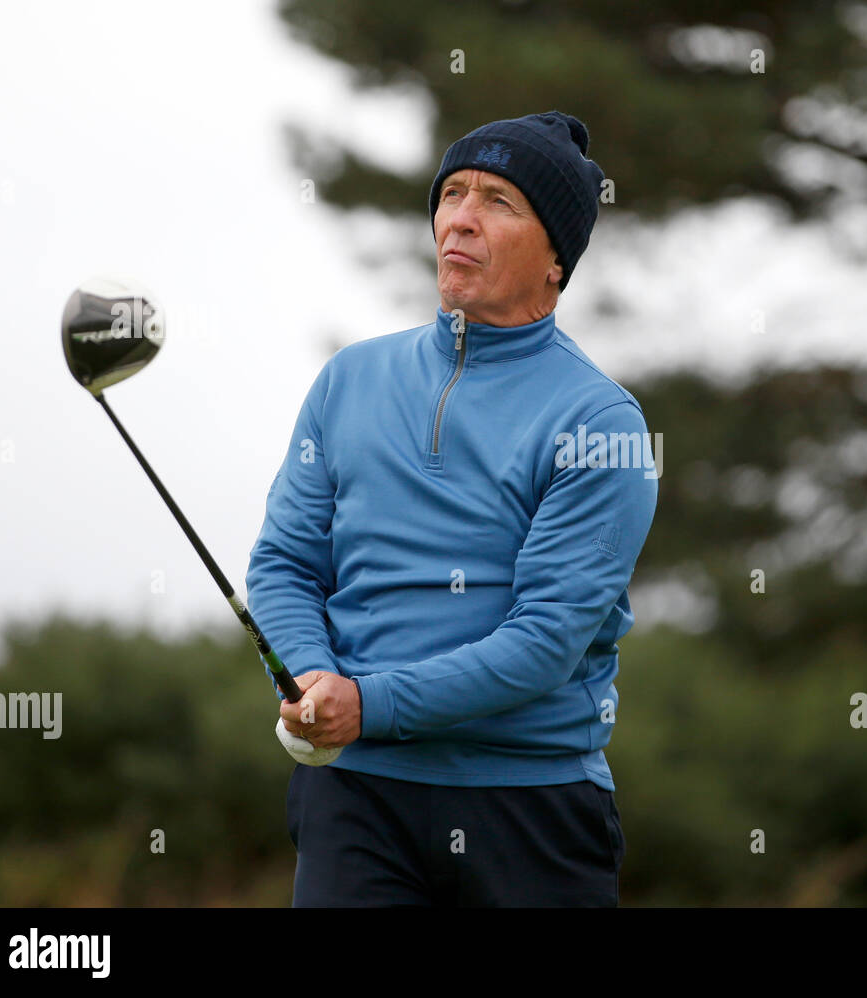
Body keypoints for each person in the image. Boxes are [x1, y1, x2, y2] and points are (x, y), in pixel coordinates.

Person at [246, 110, 659, 907]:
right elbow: (287, 564)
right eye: (453, 193)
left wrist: (366, 704)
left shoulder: (602, 424)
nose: (460, 218)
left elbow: (544, 643)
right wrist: (312, 676)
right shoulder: (348, 380)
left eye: (500, 201)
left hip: (530, 810)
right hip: (357, 800)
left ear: (556, 260)